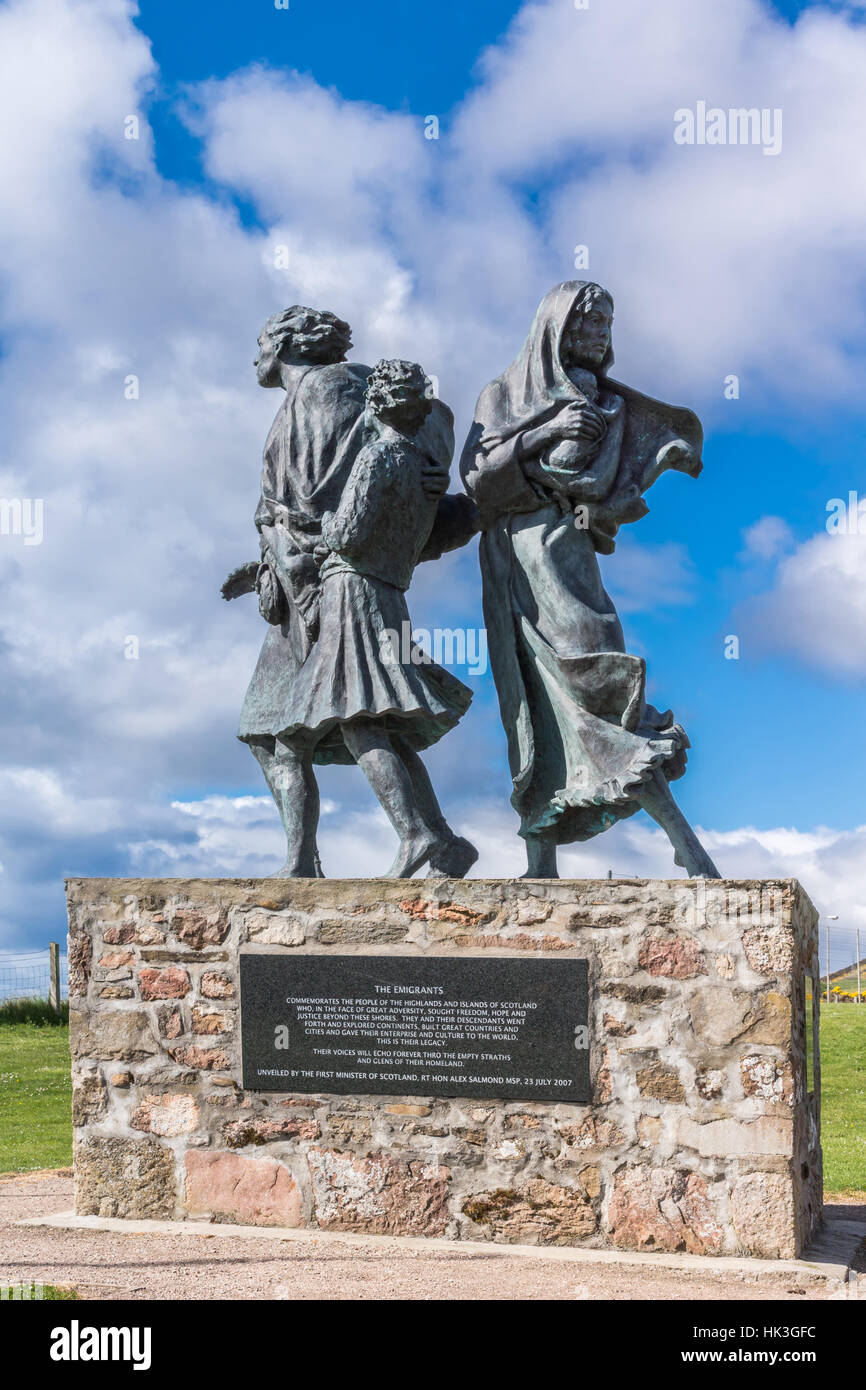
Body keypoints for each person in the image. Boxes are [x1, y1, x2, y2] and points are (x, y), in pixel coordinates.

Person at [459, 280, 720, 880]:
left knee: (600, 688)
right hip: (513, 562)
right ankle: (540, 862)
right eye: (588, 320)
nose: (599, 333)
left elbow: (609, 493)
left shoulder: (612, 404)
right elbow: (479, 481)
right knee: (526, 706)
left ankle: (687, 847)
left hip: (568, 556)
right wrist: (545, 433)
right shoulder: (502, 394)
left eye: (606, 322)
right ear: (554, 326)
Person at [222, 307, 477, 876]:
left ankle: (410, 837)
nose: (255, 355)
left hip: (327, 579)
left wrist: (287, 543)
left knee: (332, 716)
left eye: (261, 341)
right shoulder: (327, 394)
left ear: (288, 343)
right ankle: (411, 839)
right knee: (339, 717)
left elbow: (317, 498)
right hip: (306, 577)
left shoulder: (325, 387)